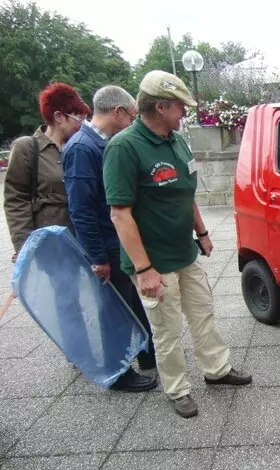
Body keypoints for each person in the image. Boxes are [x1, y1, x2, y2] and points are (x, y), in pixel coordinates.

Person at [103, 70, 252, 418]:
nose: (185, 112)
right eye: (180, 107)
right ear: (159, 107)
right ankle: (177, 389)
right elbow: (120, 215)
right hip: (154, 262)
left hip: (185, 252)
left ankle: (217, 370)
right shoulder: (124, 148)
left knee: (203, 314)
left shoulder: (177, 140)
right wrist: (144, 269)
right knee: (167, 331)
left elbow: (187, 192)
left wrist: (202, 232)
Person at [61, 85, 158, 392]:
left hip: (115, 242)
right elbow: (81, 210)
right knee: (113, 311)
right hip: (105, 245)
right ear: (118, 112)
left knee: (129, 304)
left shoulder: (98, 144)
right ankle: (118, 373)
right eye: (131, 115)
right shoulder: (81, 148)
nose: (132, 122)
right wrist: (99, 258)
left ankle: (147, 354)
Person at [4, 82, 89, 259]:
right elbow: (16, 200)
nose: (83, 124)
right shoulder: (27, 148)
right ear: (58, 116)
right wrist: (25, 249)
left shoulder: (78, 147)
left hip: (82, 245)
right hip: (48, 249)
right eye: (78, 118)